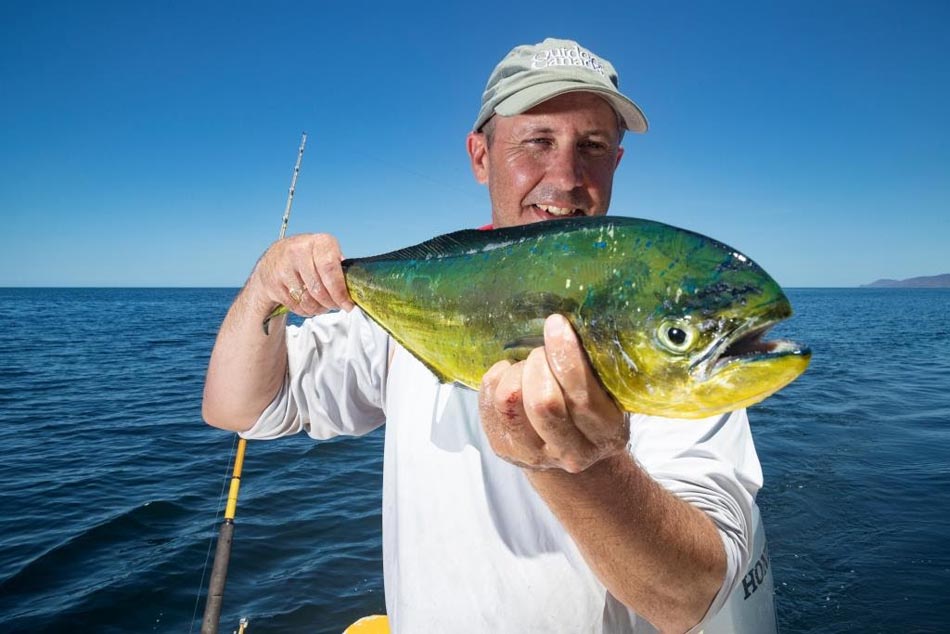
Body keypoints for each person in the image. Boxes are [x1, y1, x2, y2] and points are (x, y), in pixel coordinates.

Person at [204, 38, 763, 633]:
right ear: (480, 155)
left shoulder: (672, 344)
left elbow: (691, 596)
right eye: (538, 141)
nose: (567, 177)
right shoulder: (406, 308)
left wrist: (582, 465)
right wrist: (264, 290)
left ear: (617, 163)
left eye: (592, 146)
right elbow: (239, 409)